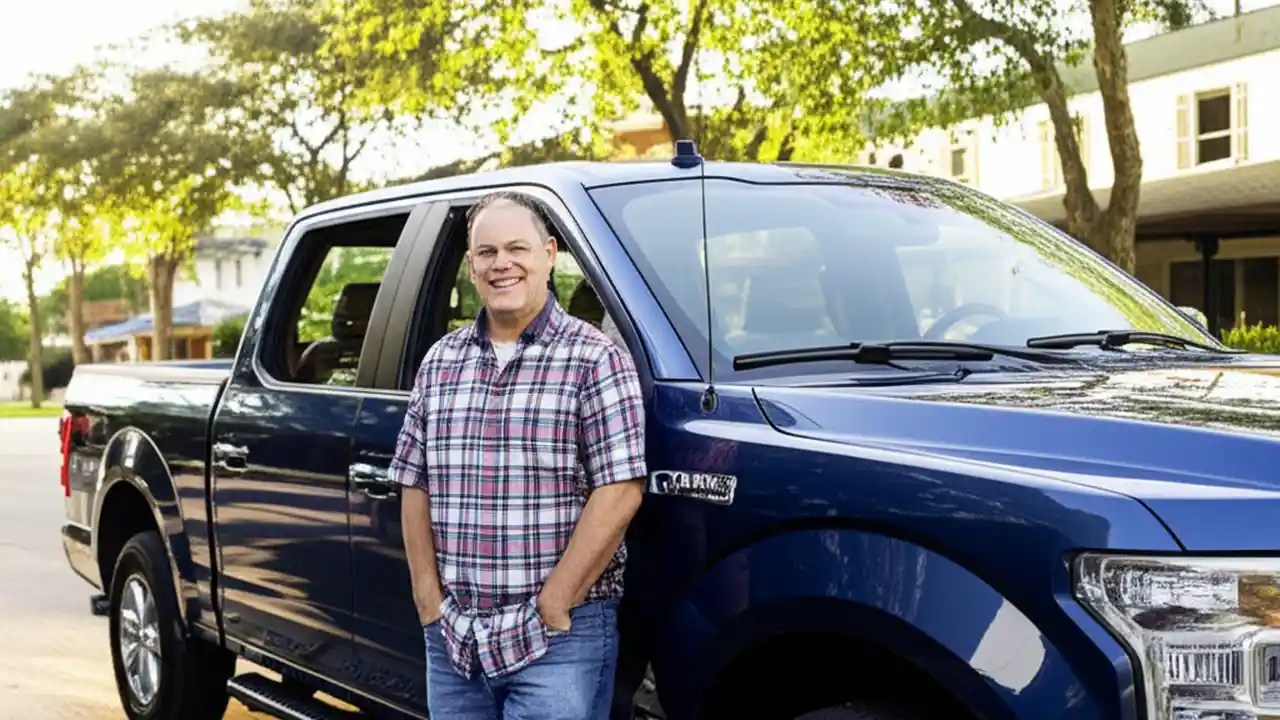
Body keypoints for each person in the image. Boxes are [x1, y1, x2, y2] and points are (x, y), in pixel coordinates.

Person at [390, 190, 648, 720]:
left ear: (549, 253)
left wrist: (555, 602)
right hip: (457, 639)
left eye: (517, 248)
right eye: (487, 253)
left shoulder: (596, 359)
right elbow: (414, 482)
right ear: (470, 266)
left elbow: (621, 489)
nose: (502, 263)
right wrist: (427, 599)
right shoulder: (441, 362)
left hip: (561, 638)